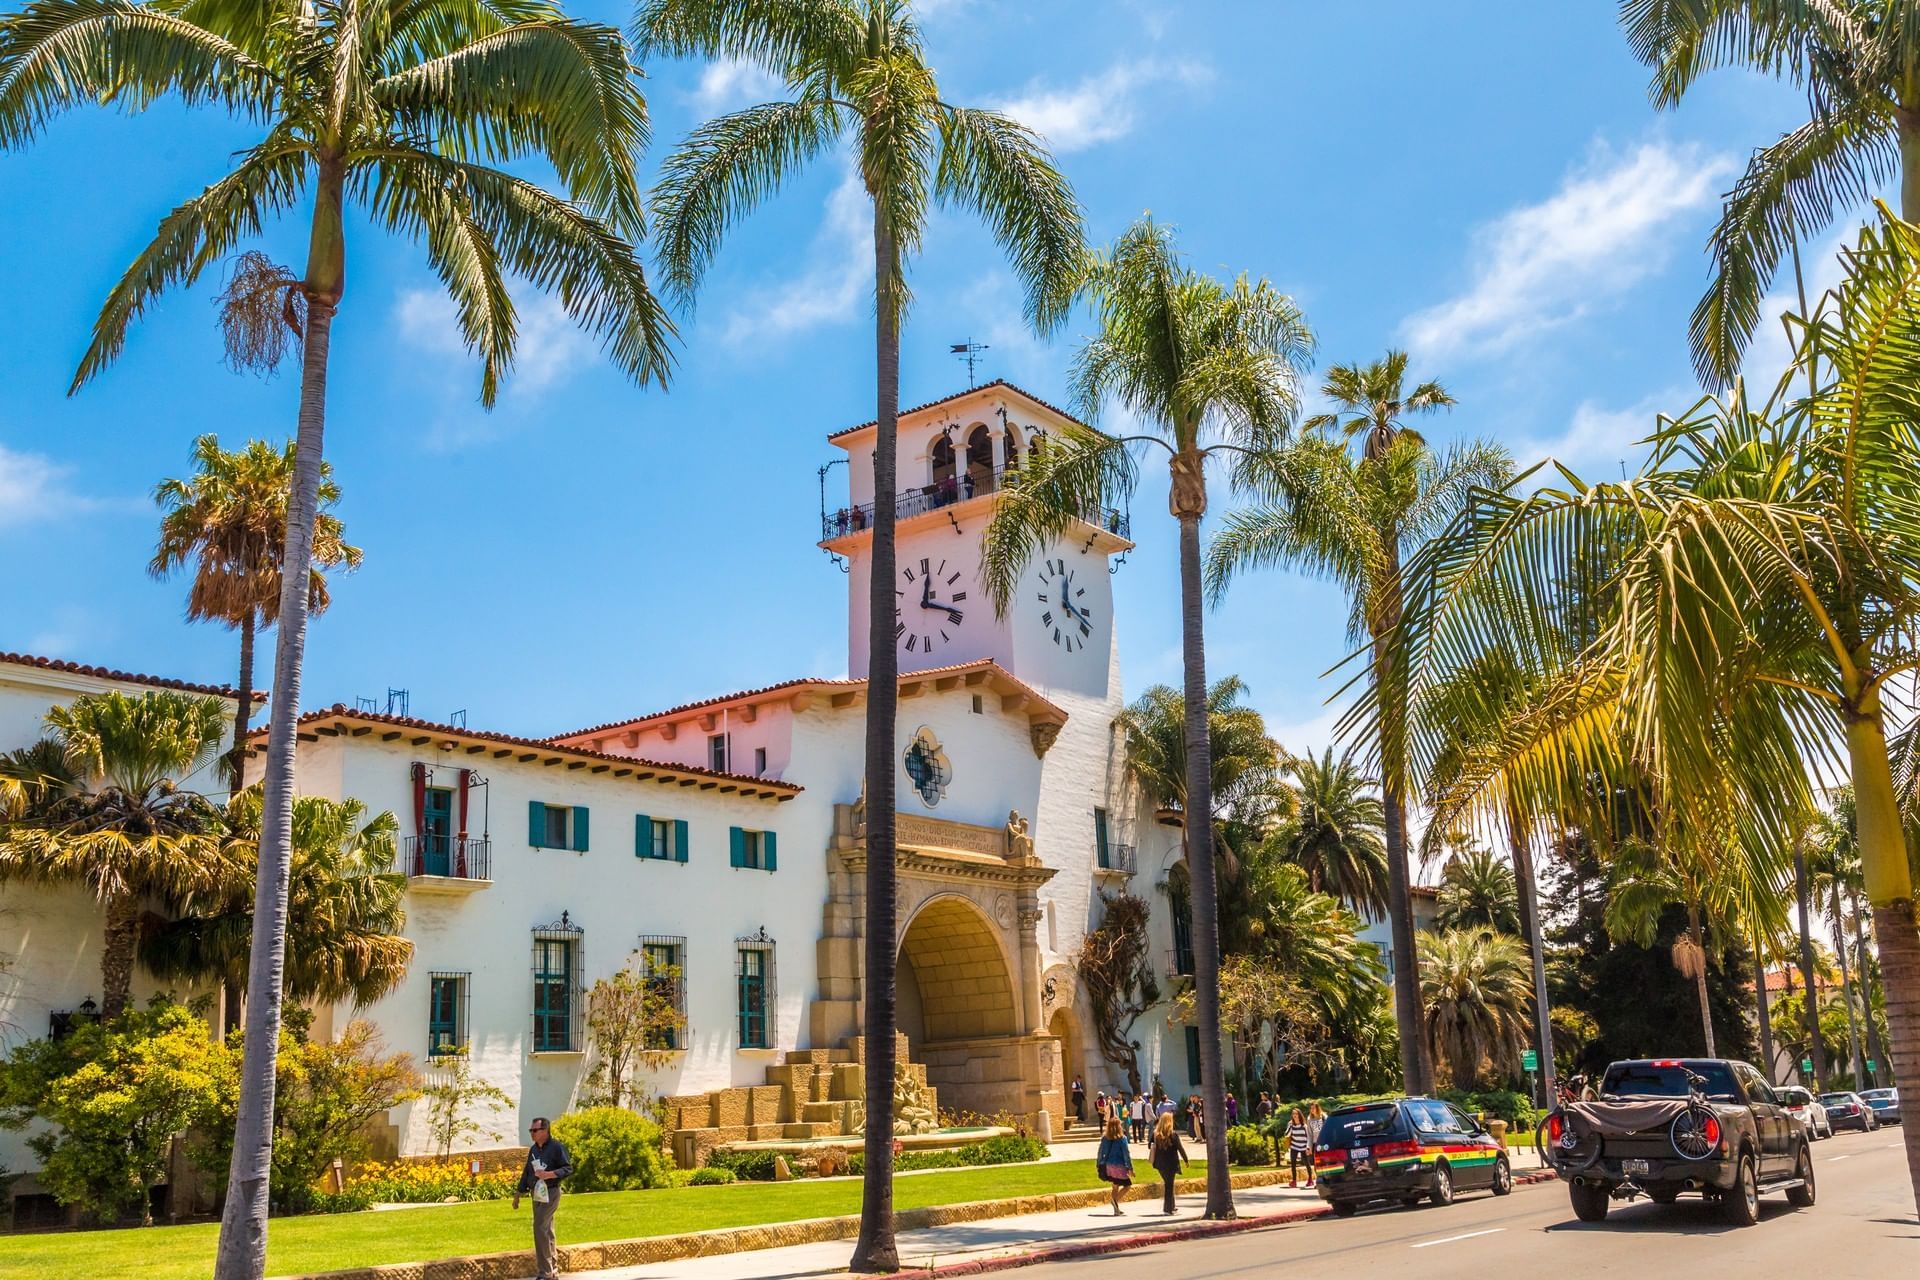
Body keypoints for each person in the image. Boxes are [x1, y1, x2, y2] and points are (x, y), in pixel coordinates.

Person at [512, 1117, 573, 1280]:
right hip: (537, 1193)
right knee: (547, 1230)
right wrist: (518, 1193)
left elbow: (567, 1168)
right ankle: (553, 1270)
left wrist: (549, 1174)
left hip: (551, 1192)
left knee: (539, 1227)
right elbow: (527, 1172)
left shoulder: (556, 1147)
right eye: (530, 1130)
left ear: (545, 1131)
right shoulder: (534, 1150)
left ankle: (545, 1272)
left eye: (535, 1130)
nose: (531, 1133)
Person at [1149, 1110, 1189, 1214]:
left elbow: (1150, 1145)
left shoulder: (1155, 1134)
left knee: (1168, 1183)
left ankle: (1172, 1205)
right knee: (1169, 1185)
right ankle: (1167, 1208)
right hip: (1171, 1163)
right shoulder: (1173, 1135)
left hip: (1159, 1163)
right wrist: (1186, 1160)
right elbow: (1180, 1148)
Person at [1096, 1114, 1134, 1215]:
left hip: (1108, 1166)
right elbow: (1126, 1154)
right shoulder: (1122, 1139)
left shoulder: (1105, 1138)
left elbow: (1100, 1152)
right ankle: (1115, 1200)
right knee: (1127, 1185)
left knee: (1115, 1186)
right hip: (1119, 1166)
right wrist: (1130, 1168)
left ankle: (1116, 1210)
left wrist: (1098, 1164)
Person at [1285, 1107, 1312, 1188]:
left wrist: (1308, 1147)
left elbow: (1308, 1137)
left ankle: (1310, 1179)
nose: (1295, 1115)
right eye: (1293, 1114)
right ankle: (1294, 1181)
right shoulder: (1291, 1125)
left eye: (1296, 1114)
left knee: (1306, 1163)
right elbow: (1287, 1134)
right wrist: (1290, 1126)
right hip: (1294, 1146)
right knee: (1293, 1164)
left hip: (1303, 1146)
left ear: (1299, 1115)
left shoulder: (1304, 1126)